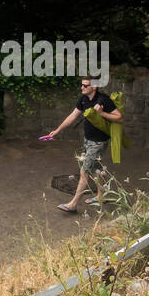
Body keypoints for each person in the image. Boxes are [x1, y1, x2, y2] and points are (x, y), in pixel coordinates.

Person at [43, 76, 123, 214]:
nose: (82, 88)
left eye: (85, 86)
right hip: (88, 140)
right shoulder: (84, 99)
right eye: (82, 85)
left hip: (99, 142)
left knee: (84, 172)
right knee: (95, 169)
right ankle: (101, 196)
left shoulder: (103, 100)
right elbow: (73, 116)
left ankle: (73, 205)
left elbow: (119, 118)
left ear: (94, 87)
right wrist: (57, 130)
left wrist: (102, 113)